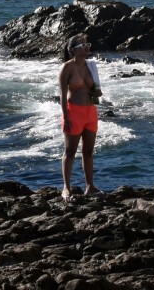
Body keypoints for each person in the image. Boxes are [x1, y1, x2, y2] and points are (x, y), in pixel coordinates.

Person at [59, 33, 101, 201]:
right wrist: (66, 116)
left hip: (90, 111)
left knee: (88, 151)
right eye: (83, 45)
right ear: (73, 50)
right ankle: (66, 188)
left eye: (87, 44)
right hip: (73, 111)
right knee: (70, 151)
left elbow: (96, 89)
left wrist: (97, 91)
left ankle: (90, 186)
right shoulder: (67, 67)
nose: (87, 47)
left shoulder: (91, 66)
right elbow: (62, 94)